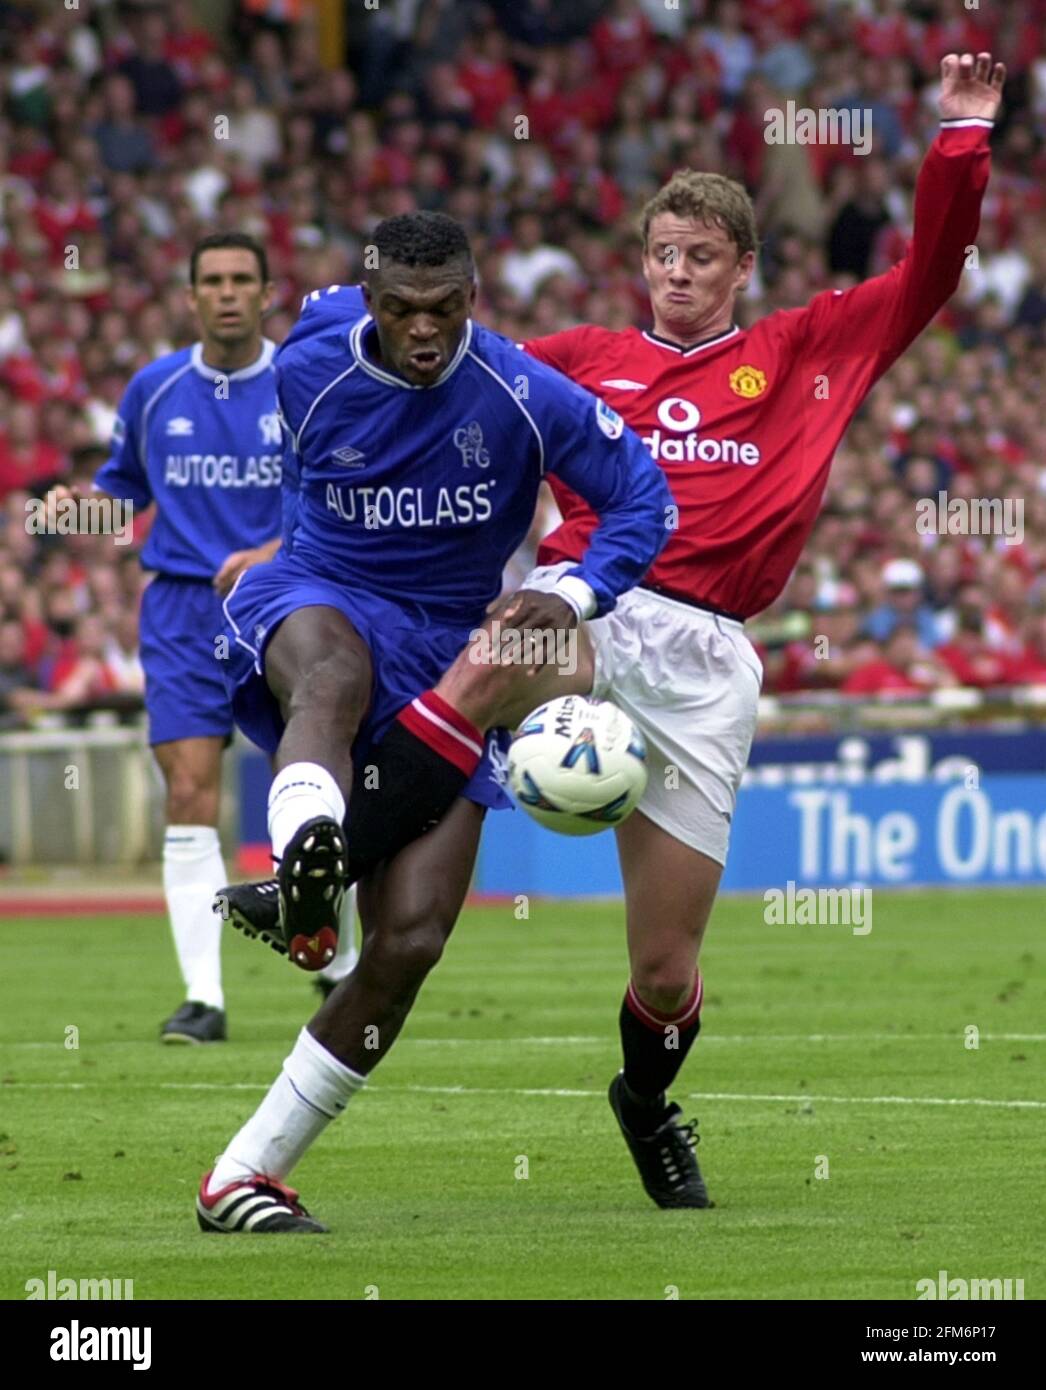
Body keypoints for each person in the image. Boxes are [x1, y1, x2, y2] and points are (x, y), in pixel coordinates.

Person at [224, 53, 1004, 1213]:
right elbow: (428, 399)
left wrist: (958, 136)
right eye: (660, 255)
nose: (675, 275)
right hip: (587, 602)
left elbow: (931, 272)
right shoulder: (579, 361)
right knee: (507, 651)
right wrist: (296, 547)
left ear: (743, 266)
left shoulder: (808, 348)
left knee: (663, 970)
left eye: (698, 257)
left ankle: (643, 1102)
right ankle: (308, 878)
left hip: (706, 656)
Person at [195, 210, 671, 1232]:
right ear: (369, 300)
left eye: (444, 309)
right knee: (325, 681)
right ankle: (307, 858)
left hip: (447, 655)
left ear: (474, 298)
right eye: (403, 309)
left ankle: (243, 1174)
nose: (424, 330)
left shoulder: (521, 394)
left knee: (410, 938)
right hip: (320, 592)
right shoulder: (316, 348)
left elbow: (642, 496)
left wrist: (575, 591)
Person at [81, 231, 357, 1042]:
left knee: (308, 778)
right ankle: (205, 1000)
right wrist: (76, 507)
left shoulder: (303, 382)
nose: (229, 292)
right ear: (191, 295)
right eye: (214, 281)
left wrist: (274, 549)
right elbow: (120, 491)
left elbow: (341, 489)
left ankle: (334, 966)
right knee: (192, 790)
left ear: (268, 292)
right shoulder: (153, 390)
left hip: (291, 599)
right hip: (182, 610)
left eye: (243, 279)